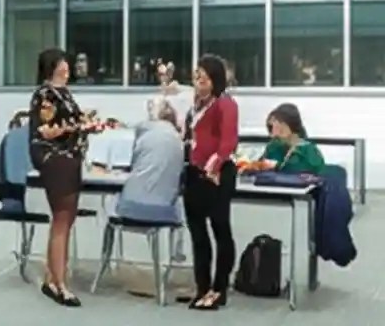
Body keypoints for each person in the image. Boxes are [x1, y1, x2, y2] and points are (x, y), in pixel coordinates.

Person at [28, 47, 101, 307]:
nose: (68, 68)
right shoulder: (45, 95)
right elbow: (45, 130)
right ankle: (60, 284)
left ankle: (52, 277)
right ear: (51, 67)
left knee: (66, 220)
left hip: (71, 158)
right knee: (62, 218)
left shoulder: (65, 94)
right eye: (62, 64)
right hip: (56, 160)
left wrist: (89, 124)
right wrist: (71, 128)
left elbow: (75, 120)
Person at [183, 54, 239, 311]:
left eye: (203, 78)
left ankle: (219, 288)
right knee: (197, 234)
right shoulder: (196, 105)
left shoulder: (225, 104)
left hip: (217, 174)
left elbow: (227, 142)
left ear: (214, 80)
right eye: (196, 77)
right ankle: (202, 286)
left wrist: (213, 166)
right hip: (194, 172)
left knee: (220, 229)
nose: (198, 82)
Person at [115, 99, 183, 224]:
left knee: (111, 204)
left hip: (131, 208)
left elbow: (132, 163)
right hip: (165, 211)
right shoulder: (178, 139)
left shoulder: (143, 130)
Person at [244, 103, 325, 176]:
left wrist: (278, 165)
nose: (275, 133)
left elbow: (317, 176)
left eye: (280, 125)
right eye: (272, 127)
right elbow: (259, 167)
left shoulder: (309, 151)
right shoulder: (273, 147)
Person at [147, 60, 193, 130]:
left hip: (174, 110)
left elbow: (168, 90)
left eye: (164, 75)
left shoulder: (174, 83)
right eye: (160, 75)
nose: (162, 78)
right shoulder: (163, 86)